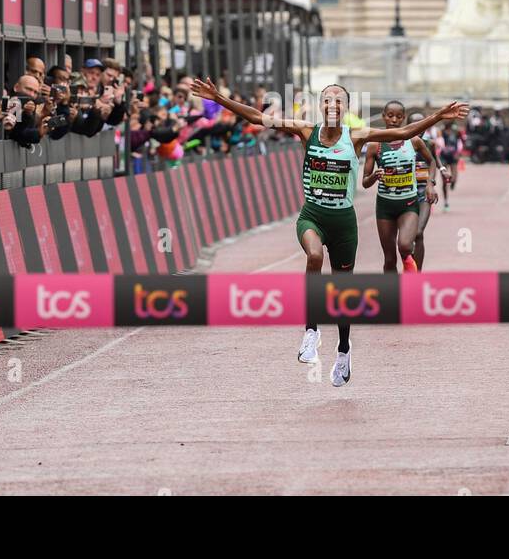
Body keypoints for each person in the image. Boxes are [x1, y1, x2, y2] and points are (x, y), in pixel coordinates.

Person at [191, 77, 467, 388]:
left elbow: (404, 132)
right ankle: (311, 331)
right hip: (313, 216)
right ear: (321, 107)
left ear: (346, 108)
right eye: (327, 100)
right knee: (313, 255)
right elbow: (257, 117)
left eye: (338, 101)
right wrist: (218, 99)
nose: (332, 104)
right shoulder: (305, 130)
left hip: (343, 224)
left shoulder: (358, 135)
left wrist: (437, 116)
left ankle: (344, 350)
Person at [361, 102, 429, 274]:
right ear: (383, 116)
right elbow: (365, 182)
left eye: (399, 116)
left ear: (403, 118)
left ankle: (410, 268)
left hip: (408, 202)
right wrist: (374, 176)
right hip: (385, 205)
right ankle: (392, 295)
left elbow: (432, 160)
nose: (394, 119)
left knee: (405, 246)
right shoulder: (374, 145)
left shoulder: (413, 141)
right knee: (390, 259)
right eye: (390, 115)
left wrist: (430, 183)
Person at [407, 112, 441, 270]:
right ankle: (409, 265)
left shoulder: (429, 144)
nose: (419, 128)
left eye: (422, 124)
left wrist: (442, 171)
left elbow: (434, 161)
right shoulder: (400, 143)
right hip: (405, 192)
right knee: (406, 238)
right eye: (415, 123)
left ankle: (417, 274)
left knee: (418, 233)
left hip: (423, 192)